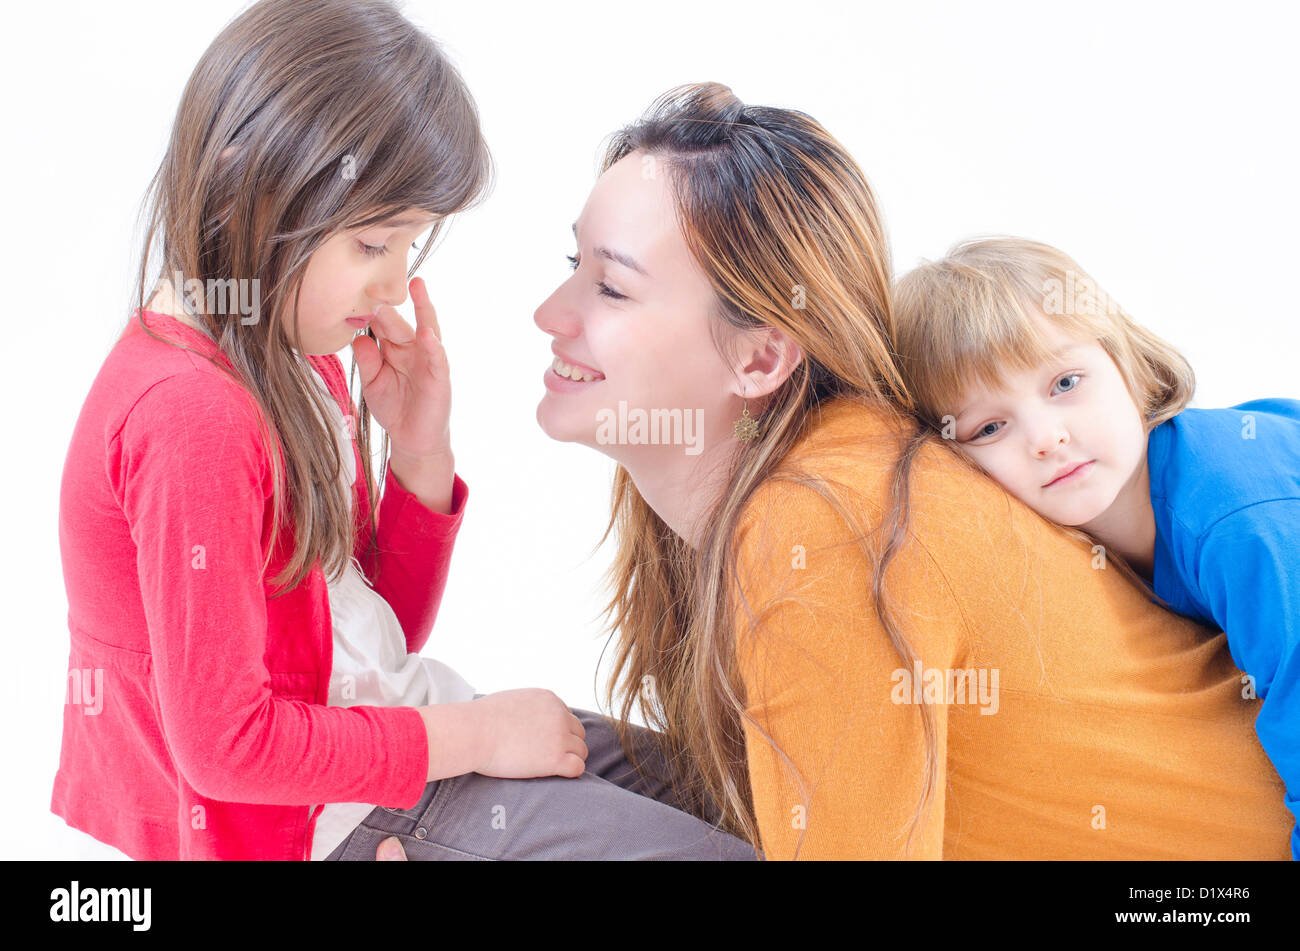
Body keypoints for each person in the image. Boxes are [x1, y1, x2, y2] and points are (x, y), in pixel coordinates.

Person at [53, 0, 754, 861]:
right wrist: (481, 733)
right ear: (245, 187)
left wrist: (419, 450)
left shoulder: (292, 353)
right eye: (373, 243)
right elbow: (227, 746)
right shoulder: (193, 415)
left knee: (744, 788)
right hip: (320, 819)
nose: (390, 291)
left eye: (409, 247)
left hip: (389, 752)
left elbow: (368, 634)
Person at [532, 81, 1294, 858]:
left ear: (762, 355)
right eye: (992, 425)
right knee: (497, 755)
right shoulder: (826, 485)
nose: (548, 314)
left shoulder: (823, 515)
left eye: (612, 287)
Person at [890, 236, 1299, 858]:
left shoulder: (1237, 518)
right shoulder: (1074, 552)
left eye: (1065, 382)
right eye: (990, 427)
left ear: (1128, 364)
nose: (1047, 437)